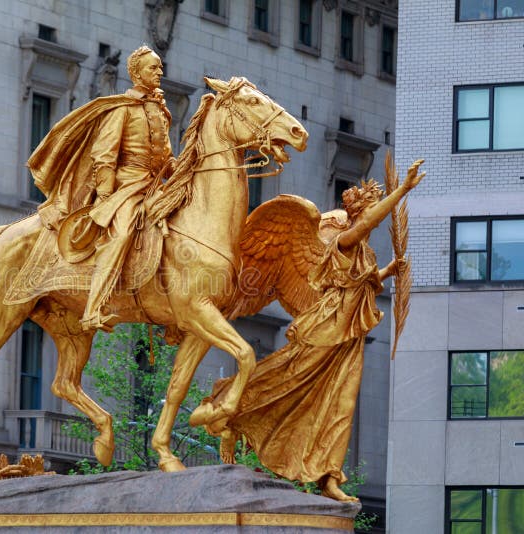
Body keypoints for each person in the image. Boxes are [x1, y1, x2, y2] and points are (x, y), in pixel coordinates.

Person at [190, 165, 424, 502]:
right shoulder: (343, 242)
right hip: (325, 331)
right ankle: (228, 410)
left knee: (339, 407)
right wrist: (402, 191)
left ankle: (328, 476)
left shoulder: (366, 255)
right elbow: (370, 225)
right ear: (360, 216)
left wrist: (388, 271)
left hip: (350, 341)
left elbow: (365, 284)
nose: (373, 217)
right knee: (282, 380)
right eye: (370, 210)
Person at [27, 45, 174, 331]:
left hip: (155, 187)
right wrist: (107, 197)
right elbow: (104, 155)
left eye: (159, 67)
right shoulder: (122, 109)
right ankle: (94, 307)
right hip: (126, 188)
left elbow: (163, 159)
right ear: (136, 73)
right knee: (120, 235)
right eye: (152, 68)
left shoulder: (161, 110)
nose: (159, 72)